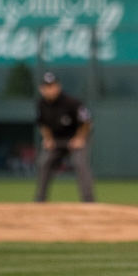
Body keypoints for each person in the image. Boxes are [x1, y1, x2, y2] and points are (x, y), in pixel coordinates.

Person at [34, 71, 96, 202]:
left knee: (79, 163)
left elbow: (87, 122)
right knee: (44, 161)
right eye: (47, 86)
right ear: (41, 89)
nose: (50, 89)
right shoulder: (41, 104)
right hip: (56, 141)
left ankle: (88, 201)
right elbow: (42, 124)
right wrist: (48, 139)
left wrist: (79, 138)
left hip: (75, 139)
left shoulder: (72, 102)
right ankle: (40, 200)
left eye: (52, 85)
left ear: (58, 86)